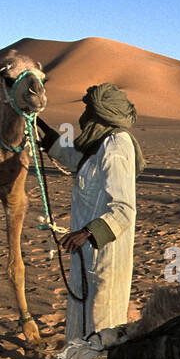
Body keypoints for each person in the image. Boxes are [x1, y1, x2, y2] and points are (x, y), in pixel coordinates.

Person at [50, 84, 143, 340]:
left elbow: (124, 210)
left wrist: (87, 232)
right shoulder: (97, 144)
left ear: (101, 114)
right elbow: (76, 161)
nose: (83, 117)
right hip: (85, 255)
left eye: (88, 110)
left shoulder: (116, 147)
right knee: (80, 321)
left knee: (102, 327)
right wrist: (43, 134)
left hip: (106, 257)